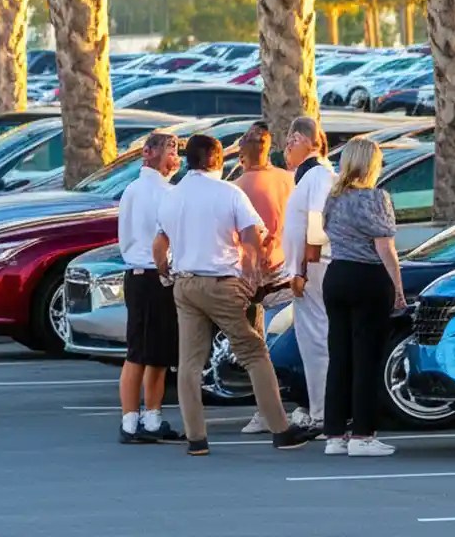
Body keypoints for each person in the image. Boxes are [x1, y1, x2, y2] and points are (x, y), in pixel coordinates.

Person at [153, 134, 312, 456]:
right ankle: (280, 429)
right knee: (254, 353)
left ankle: (196, 438)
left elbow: (160, 244)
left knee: (190, 362)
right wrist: (251, 277)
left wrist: (163, 271)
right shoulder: (229, 193)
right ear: (216, 160)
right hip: (222, 282)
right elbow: (252, 240)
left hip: (185, 284)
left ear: (189, 161)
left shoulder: (172, 196)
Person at [250, 116, 336, 438]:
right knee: (311, 340)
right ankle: (320, 409)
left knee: (317, 340)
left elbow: (317, 225)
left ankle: (324, 413)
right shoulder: (308, 177)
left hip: (315, 269)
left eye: (291, 141)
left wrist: (302, 268)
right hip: (307, 268)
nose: (286, 148)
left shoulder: (318, 176)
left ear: (307, 142)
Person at [320, 137, 404, 457]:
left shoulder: (334, 198)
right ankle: (363, 435)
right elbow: (385, 247)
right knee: (366, 357)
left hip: (337, 274)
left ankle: (335, 435)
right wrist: (397, 286)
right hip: (367, 277)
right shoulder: (376, 198)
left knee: (339, 356)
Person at [233, 122, 303, 435]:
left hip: (258, 278)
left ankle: (266, 412)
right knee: (296, 342)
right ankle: (302, 404)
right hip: (290, 271)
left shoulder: (238, 187)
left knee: (261, 350)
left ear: (242, 155)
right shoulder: (290, 180)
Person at [116, 131, 182, 443]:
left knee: (157, 353)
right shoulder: (156, 192)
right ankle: (131, 421)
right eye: (171, 150)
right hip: (149, 275)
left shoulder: (140, 189)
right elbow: (161, 239)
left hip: (147, 277)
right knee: (140, 352)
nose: (175, 157)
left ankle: (151, 417)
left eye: (177, 150)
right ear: (149, 153)